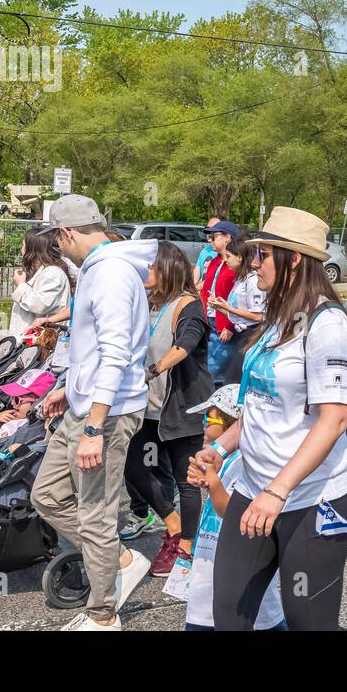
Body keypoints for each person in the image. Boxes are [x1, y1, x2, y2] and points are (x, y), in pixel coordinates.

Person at [197, 206, 347, 630]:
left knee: (309, 622)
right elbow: (257, 406)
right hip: (254, 491)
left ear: (293, 260)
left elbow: (335, 420)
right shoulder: (278, 318)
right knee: (228, 617)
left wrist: (278, 491)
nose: (254, 263)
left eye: (263, 254)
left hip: (310, 500)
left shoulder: (328, 327)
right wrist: (218, 448)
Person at [30, 195, 154, 631]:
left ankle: (103, 616)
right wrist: (69, 388)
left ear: (66, 233)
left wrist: (95, 426)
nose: (59, 251)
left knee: (94, 515)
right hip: (88, 407)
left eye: (58, 242)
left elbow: (117, 352)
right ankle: (119, 558)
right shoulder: (102, 270)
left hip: (106, 415)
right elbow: (97, 350)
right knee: (46, 496)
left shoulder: (112, 274)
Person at [125, 241, 211, 578]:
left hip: (181, 407)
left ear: (168, 269)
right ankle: (173, 524)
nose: (145, 272)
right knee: (134, 466)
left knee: (186, 480)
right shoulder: (148, 304)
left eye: (150, 267)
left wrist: (153, 371)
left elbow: (186, 345)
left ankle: (187, 546)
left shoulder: (189, 305)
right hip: (147, 407)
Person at [183, 386, 285, 631]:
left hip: (242, 564)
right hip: (209, 568)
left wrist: (213, 484)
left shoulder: (245, 462)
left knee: (257, 618)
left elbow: (233, 513)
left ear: (233, 422)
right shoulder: (223, 459)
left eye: (210, 417)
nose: (204, 424)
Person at [208, 239, 266, 380]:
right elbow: (237, 315)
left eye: (228, 256)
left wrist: (229, 308)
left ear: (239, 257)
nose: (225, 260)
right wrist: (219, 307)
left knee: (233, 378)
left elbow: (258, 316)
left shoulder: (252, 281)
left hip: (251, 334)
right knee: (231, 376)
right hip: (241, 333)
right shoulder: (240, 279)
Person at [199, 220, 240, 386]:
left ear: (228, 238)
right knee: (208, 363)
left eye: (214, 236)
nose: (210, 240)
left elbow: (238, 299)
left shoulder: (236, 265)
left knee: (216, 368)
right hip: (209, 318)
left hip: (224, 322)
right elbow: (205, 288)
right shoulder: (215, 261)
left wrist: (230, 325)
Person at [9, 228, 71, 339]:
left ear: (33, 248)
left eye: (24, 245)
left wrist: (21, 285)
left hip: (41, 342)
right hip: (31, 340)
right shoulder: (41, 271)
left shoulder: (53, 273)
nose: (21, 249)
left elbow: (40, 304)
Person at [193, 217, 222, 287]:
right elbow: (196, 276)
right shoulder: (204, 251)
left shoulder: (226, 254)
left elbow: (213, 280)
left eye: (213, 230)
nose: (209, 233)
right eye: (208, 229)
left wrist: (196, 288)